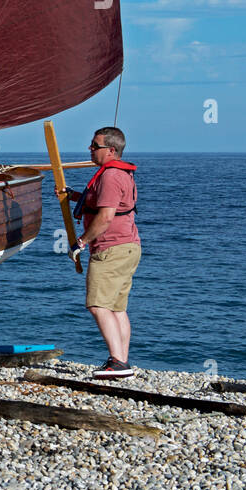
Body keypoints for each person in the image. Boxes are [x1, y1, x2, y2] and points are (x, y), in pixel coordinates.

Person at [67, 126, 140, 379]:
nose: (90, 149)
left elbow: (106, 217)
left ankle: (118, 363)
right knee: (117, 307)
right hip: (128, 246)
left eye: (95, 145)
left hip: (111, 249)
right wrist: (72, 195)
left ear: (111, 150)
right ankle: (122, 361)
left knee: (98, 305)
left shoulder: (110, 176)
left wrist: (81, 242)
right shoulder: (119, 174)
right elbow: (101, 203)